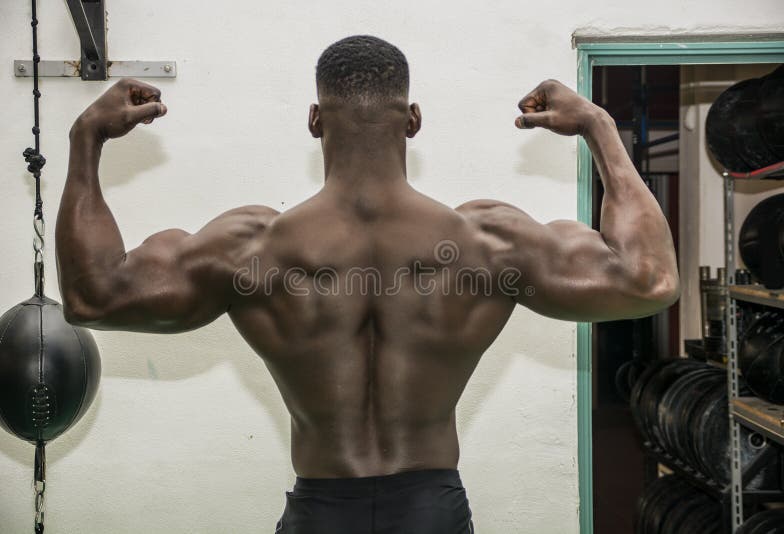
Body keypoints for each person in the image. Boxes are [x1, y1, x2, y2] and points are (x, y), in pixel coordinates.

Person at [56, 35, 679, 534]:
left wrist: (86, 139)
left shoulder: (251, 248)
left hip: (321, 510)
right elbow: (649, 280)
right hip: (433, 509)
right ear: (412, 121)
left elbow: (94, 296)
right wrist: (599, 125)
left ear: (313, 121)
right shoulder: (489, 243)